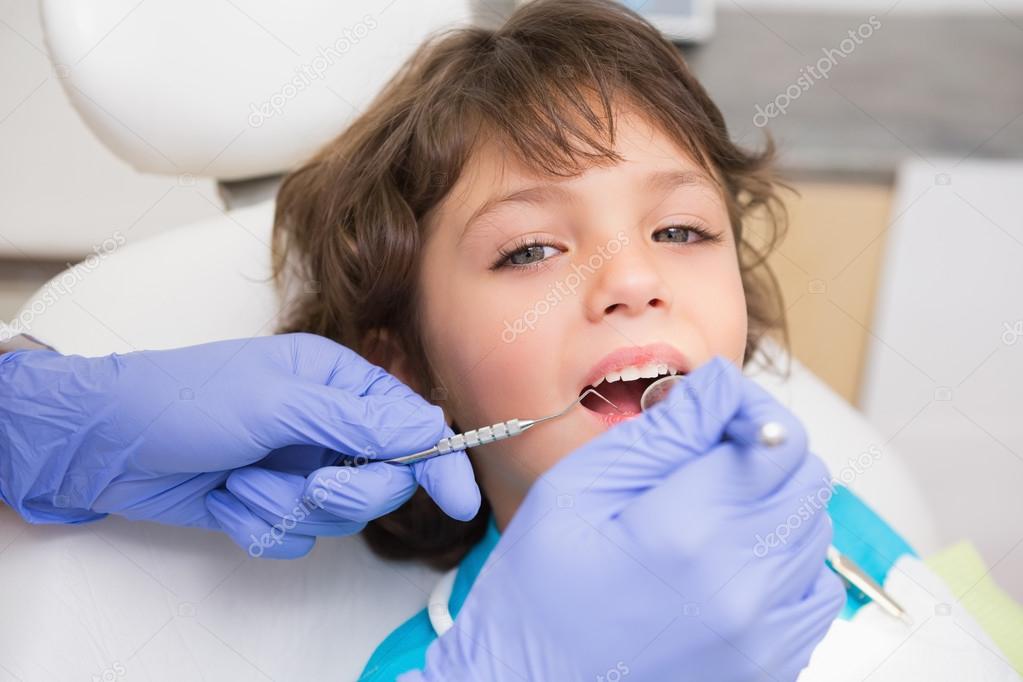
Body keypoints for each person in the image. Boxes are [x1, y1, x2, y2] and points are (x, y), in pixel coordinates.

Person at [0, 0, 843, 678]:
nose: (631, 279)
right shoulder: (448, 666)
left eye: (681, 231)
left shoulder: (825, 510)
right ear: (404, 366)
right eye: (530, 250)